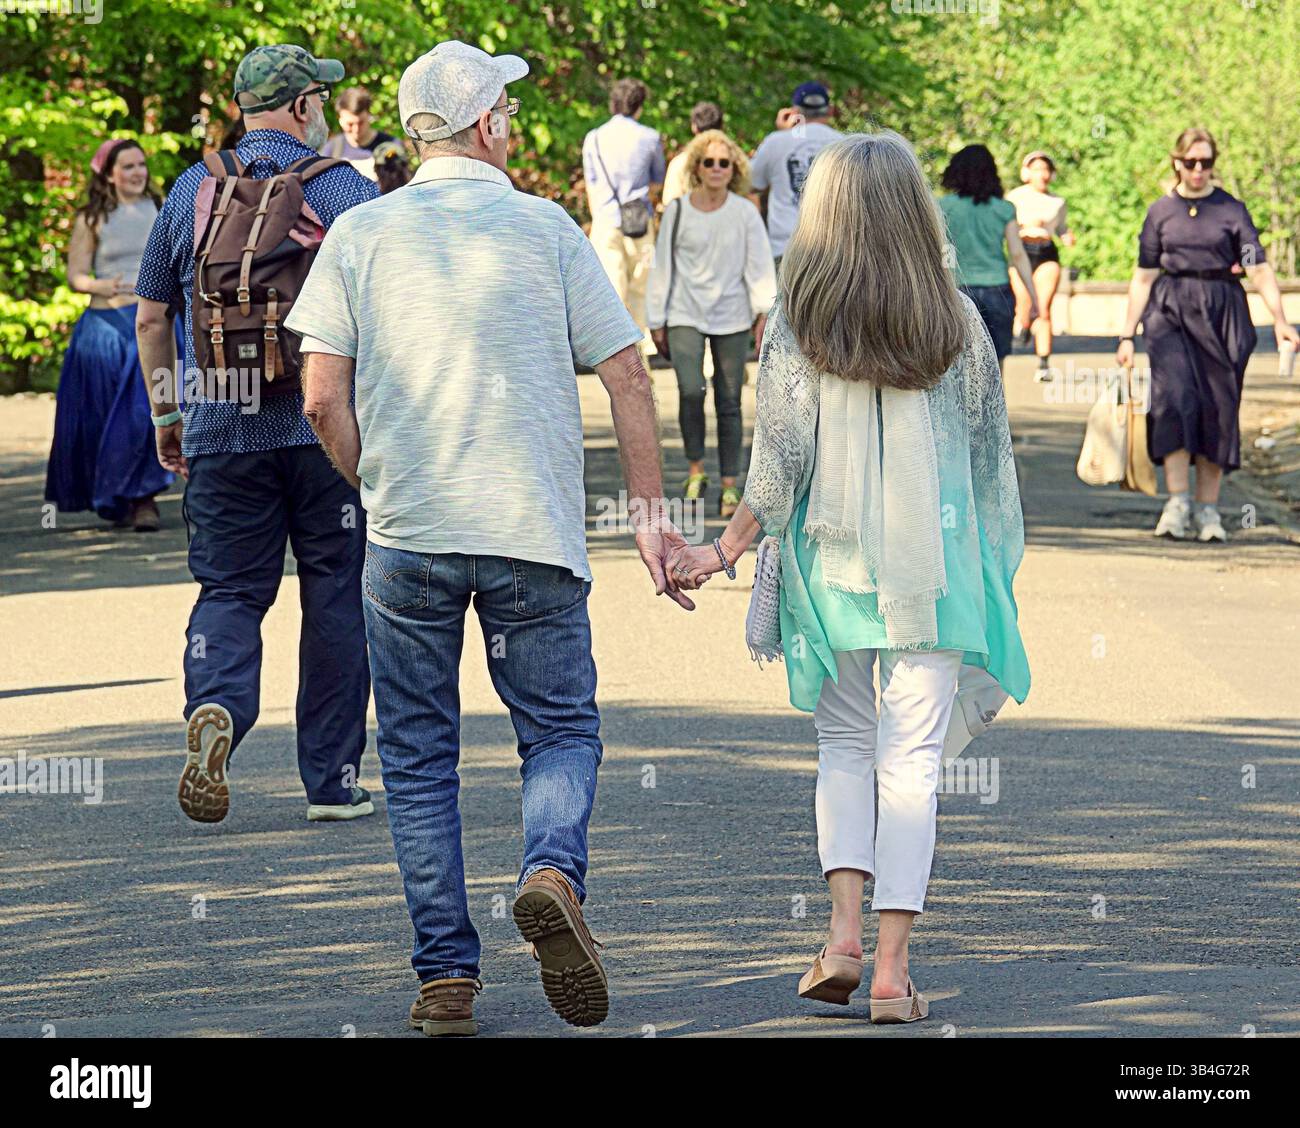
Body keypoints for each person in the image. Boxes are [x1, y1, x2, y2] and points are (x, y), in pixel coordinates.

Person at [287, 40, 694, 1038]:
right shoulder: (545, 227)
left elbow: (321, 397)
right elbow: (627, 373)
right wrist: (650, 518)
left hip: (409, 537)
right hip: (532, 530)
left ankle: (445, 981)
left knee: (418, 756)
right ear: (484, 126)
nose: (512, 122)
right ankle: (551, 871)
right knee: (556, 730)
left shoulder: (360, 233)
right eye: (505, 109)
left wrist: (375, 482)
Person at [667, 132, 1030, 1024]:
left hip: (831, 568)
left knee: (842, 747)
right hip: (934, 568)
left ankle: (840, 940)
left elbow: (779, 462)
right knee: (911, 766)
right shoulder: (957, 322)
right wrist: (990, 564)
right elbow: (989, 457)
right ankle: (894, 975)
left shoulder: (803, 321)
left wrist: (722, 549)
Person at [133, 44, 379, 825]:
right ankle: (332, 783)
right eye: (321, 100)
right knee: (335, 592)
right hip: (325, 430)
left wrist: (167, 416)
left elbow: (150, 317)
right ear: (303, 106)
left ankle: (218, 705)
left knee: (232, 590)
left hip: (219, 426)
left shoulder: (191, 189)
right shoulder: (345, 190)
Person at [1116, 127, 1299, 542]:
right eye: (1190, 162)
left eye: (1206, 162)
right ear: (1177, 162)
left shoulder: (1231, 210)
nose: (1198, 170)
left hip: (1222, 312)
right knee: (1175, 401)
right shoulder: (1161, 211)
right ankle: (1177, 503)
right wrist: (1126, 335)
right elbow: (1143, 275)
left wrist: (1281, 320)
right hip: (1170, 311)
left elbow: (1258, 267)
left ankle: (1208, 508)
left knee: (1218, 407)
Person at [45, 138, 175, 532]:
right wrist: (100, 285)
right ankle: (115, 497)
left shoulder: (160, 207)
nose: (138, 173)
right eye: (128, 166)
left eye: (141, 165)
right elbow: (75, 276)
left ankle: (144, 499)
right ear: (109, 175)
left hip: (150, 324)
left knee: (143, 413)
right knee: (102, 417)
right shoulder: (92, 218)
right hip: (105, 329)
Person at [646, 129, 775, 518]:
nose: (717, 168)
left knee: (729, 399)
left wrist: (764, 312)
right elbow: (662, 266)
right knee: (690, 390)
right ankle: (696, 469)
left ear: (734, 169)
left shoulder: (744, 213)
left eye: (724, 163)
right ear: (697, 168)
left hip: (732, 314)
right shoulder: (678, 211)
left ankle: (730, 484)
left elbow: (759, 265)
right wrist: (656, 319)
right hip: (684, 312)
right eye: (709, 162)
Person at [938, 144, 1038, 369]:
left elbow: (944, 251)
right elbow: (1017, 254)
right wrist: (1033, 296)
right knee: (995, 361)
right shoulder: (1004, 209)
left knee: (959, 362)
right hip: (998, 291)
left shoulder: (944, 207)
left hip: (958, 290)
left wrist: (944, 284)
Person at [582, 78, 666, 343]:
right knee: (641, 291)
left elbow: (590, 184)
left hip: (605, 222)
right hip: (640, 223)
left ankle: (619, 352)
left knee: (612, 293)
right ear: (639, 106)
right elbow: (658, 181)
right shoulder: (650, 137)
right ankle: (641, 352)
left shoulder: (594, 138)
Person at [749, 82, 842, 267]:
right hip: (834, 253)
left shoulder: (776, 142)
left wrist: (784, 133)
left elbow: (750, 183)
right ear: (830, 111)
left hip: (786, 249)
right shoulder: (845, 143)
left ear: (794, 112)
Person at [1006, 151, 1074, 381]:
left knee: (1044, 308)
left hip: (1046, 252)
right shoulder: (1014, 198)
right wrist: (1025, 225)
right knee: (1024, 304)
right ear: (1026, 173)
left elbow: (1061, 227)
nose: (1042, 174)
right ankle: (1024, 325)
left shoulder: (1058, 202)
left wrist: (1066, 236)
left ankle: (1044, 363)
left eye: (1046, 169)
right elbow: (1006, 225)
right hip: (1021, 251)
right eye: (1037, 169)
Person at [321, 85, 397, 180]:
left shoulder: (390, 147)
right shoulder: (331, 150)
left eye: (361, 123)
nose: (356, 129)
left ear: (369, 115)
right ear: (339, 118)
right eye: (350, 124)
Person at [661, 100, 723, 205]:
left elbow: (671, 202)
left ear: (694, 127)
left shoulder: (680, 163)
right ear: (721, 128)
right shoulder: (732, 163)